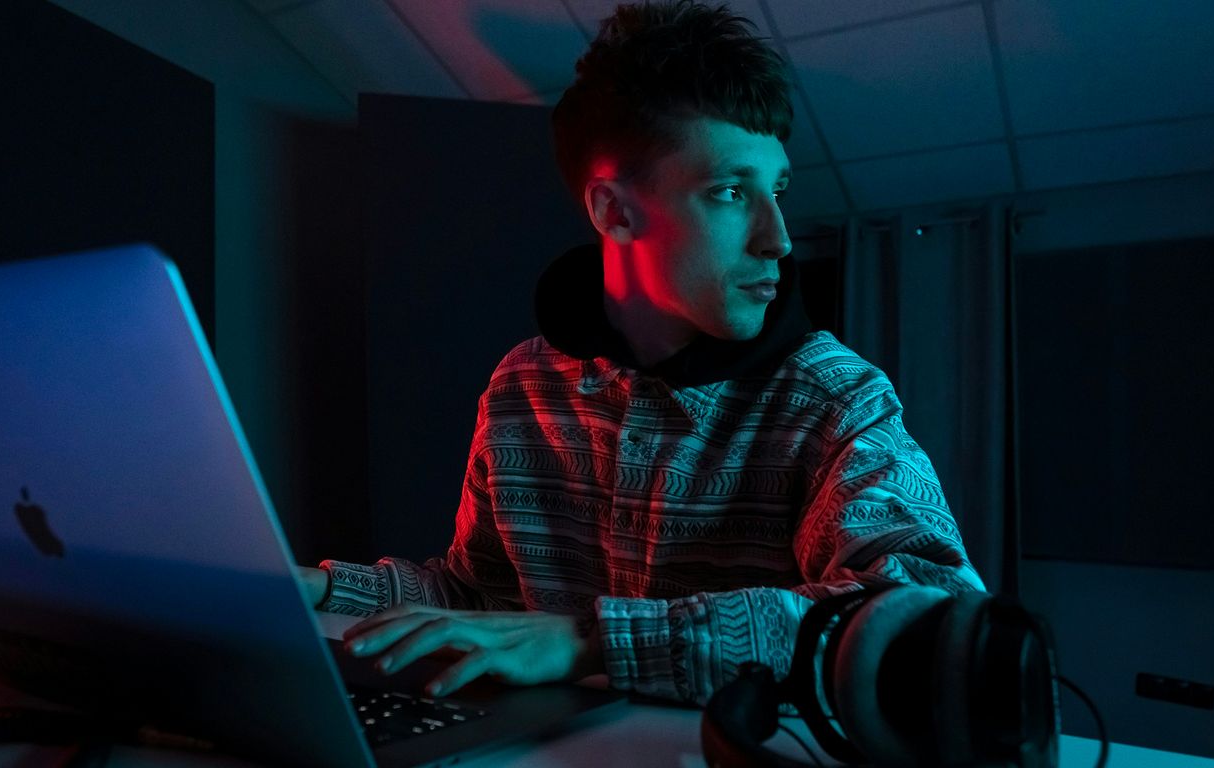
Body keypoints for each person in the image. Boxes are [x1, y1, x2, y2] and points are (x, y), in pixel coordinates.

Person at [296, 0, 985, 707]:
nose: (777, 237)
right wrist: (317, 586)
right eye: (729, 192)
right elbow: (476, 594)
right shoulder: (521, 387)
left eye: (775, 189)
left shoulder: (835, 396)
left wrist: (590, 643)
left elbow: (935, 619)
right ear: (613, 211)